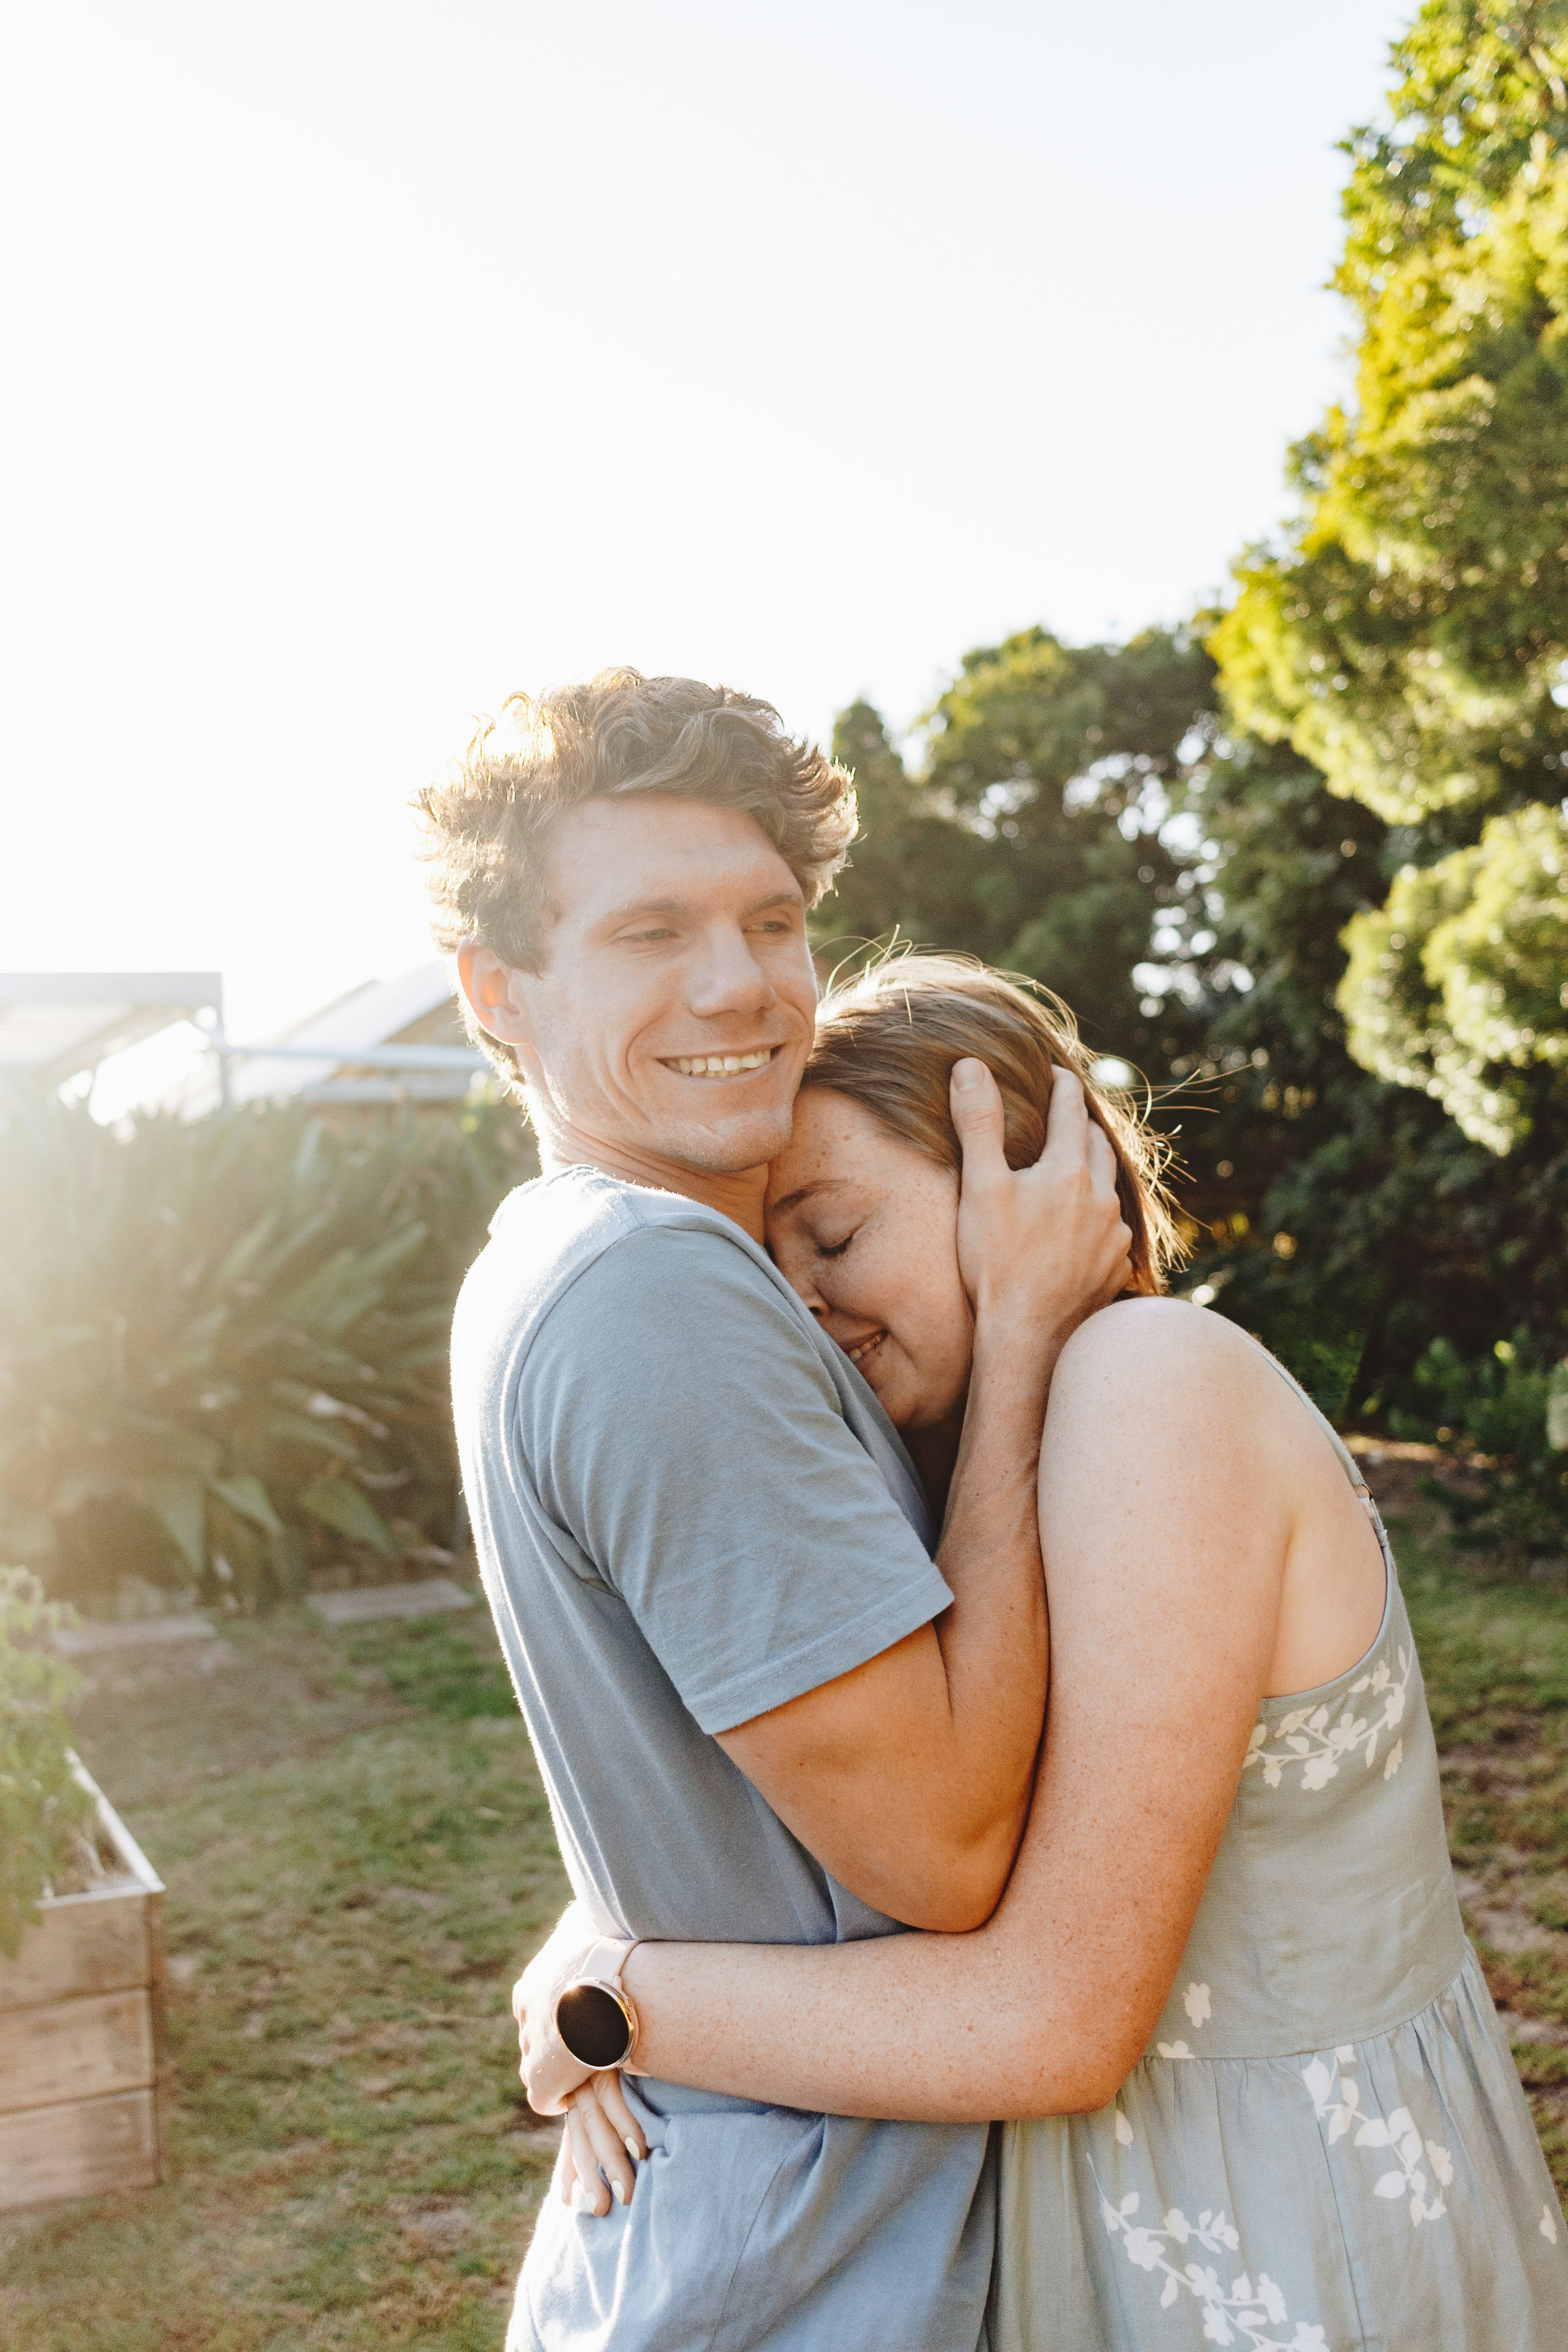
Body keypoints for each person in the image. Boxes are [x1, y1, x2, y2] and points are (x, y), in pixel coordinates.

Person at [520, 953, 1568, 2352]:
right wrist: (587, 1939)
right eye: (775, 1275)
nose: (805, 1308)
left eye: (830, 1239)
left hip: (1279, 2234)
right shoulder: (978, 1475)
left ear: (1029, 1188)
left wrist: (623, 2003)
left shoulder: (1154, 1388)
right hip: (1100, 2222)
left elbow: (1059, 2016)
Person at [417, 671, 1134, 2352]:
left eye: (773, 917)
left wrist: (610, 1970)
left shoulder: (567, 1259)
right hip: (811, 2278)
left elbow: (702, 1784)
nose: (740, 983)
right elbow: (944, 1850)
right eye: (651, 931)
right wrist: (1025, 1342)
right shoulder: (656, 1295)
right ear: (497, 994)